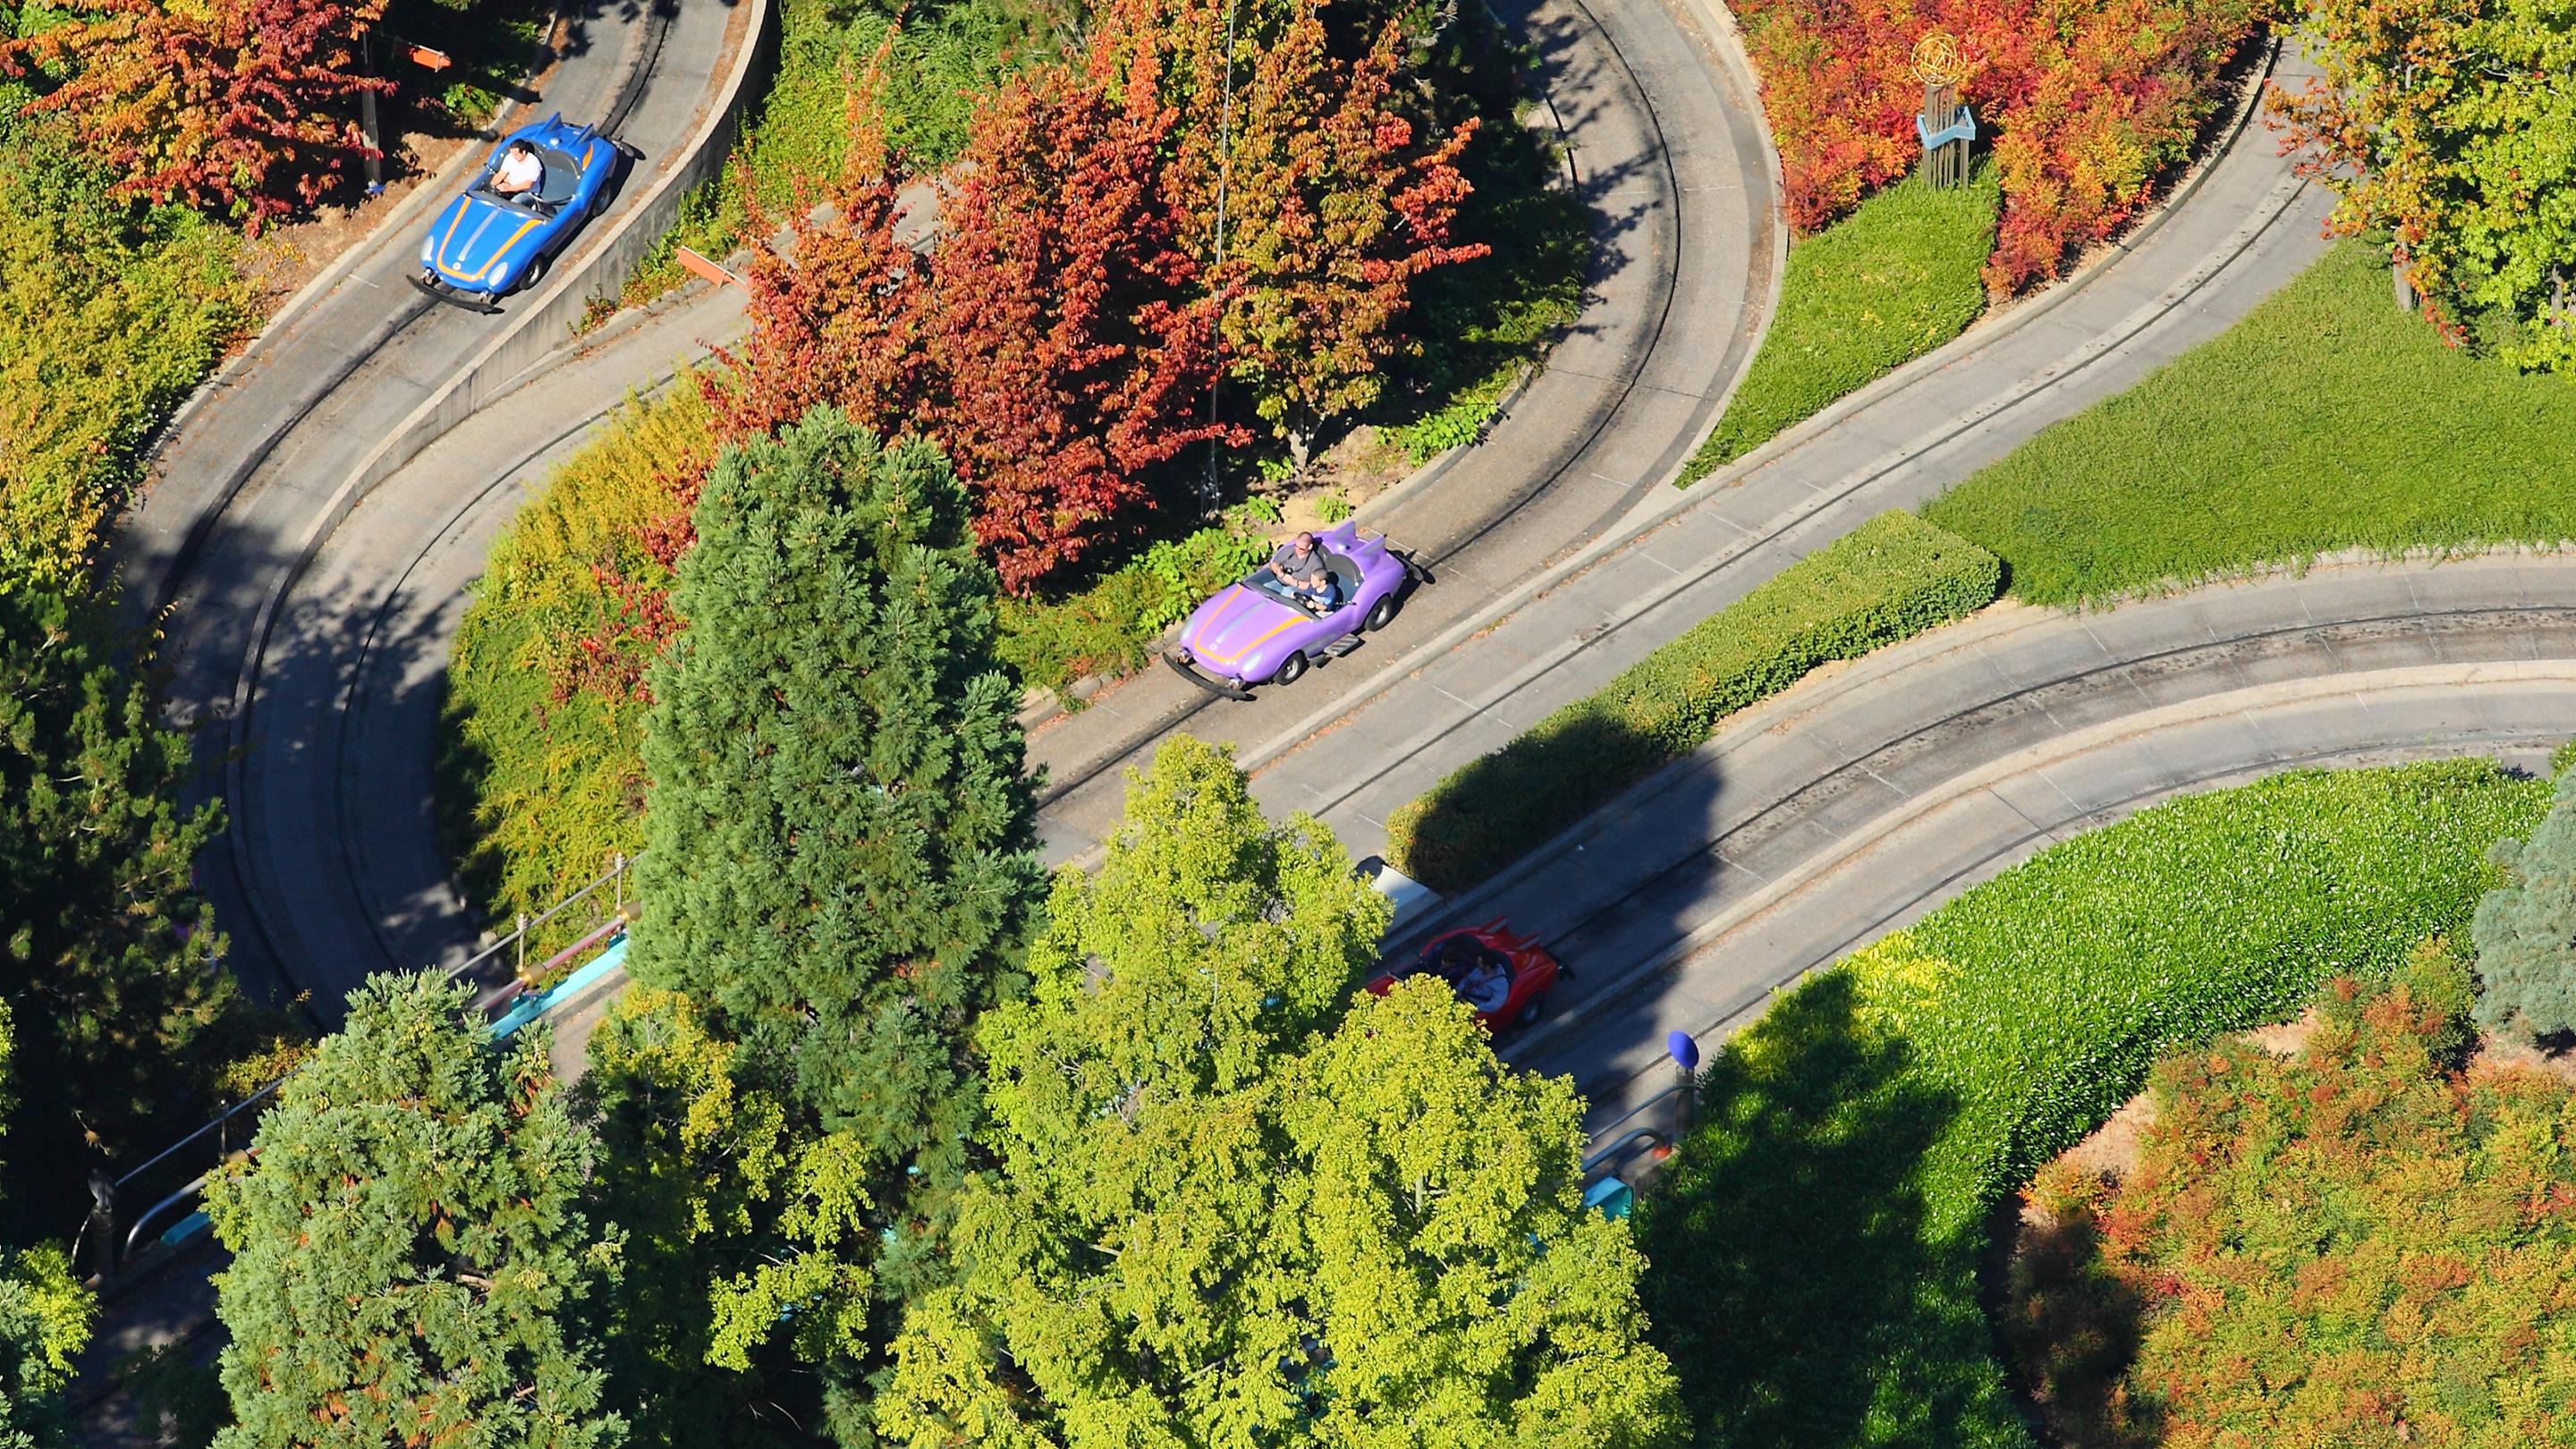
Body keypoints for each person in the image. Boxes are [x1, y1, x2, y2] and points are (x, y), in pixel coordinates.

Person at [1267, 531, 1340, 612]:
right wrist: (1279, 572)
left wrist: (1295, 582)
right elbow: (1274, 564)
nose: (1297, 550)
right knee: (1267, 587)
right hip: (1279, 582)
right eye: (1296, 546)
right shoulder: (1289, 550)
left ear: (1309, 547)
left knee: (1286, 593)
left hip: (1297, 588)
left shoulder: (1315, 563)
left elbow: (1313, 586)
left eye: (1301, 548)